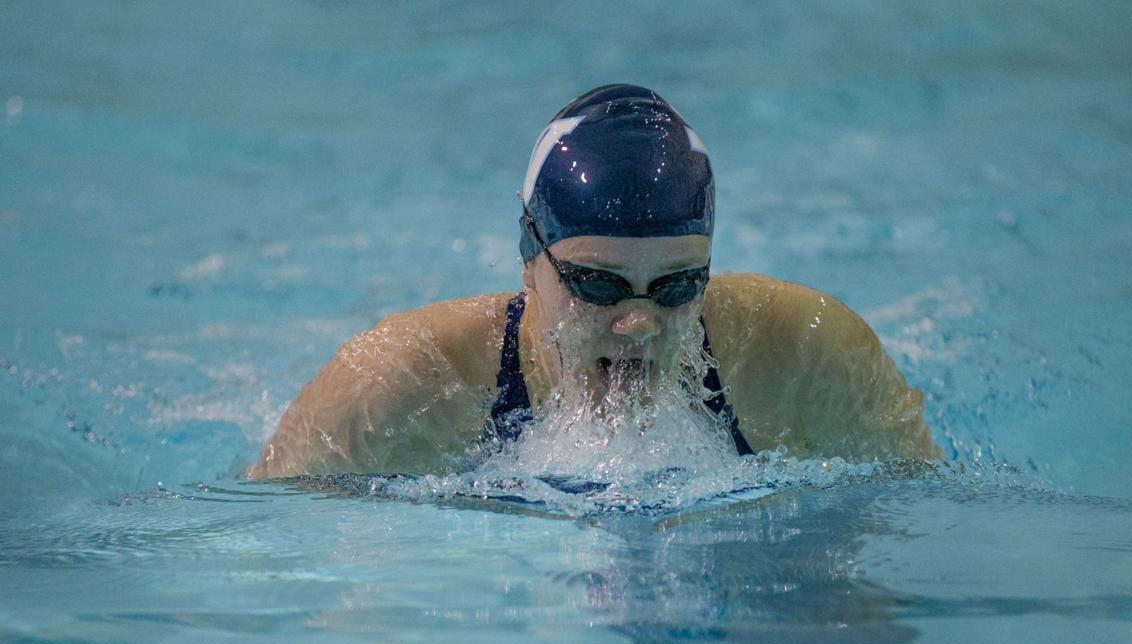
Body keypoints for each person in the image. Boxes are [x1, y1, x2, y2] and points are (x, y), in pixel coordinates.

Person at [249, 84, 937, 479]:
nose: (638, 323)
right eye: (598, 286)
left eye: (674, 288)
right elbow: (269, 561)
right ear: (530, 258)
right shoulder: (402, 385)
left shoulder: (806, 358)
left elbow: (925, 522)